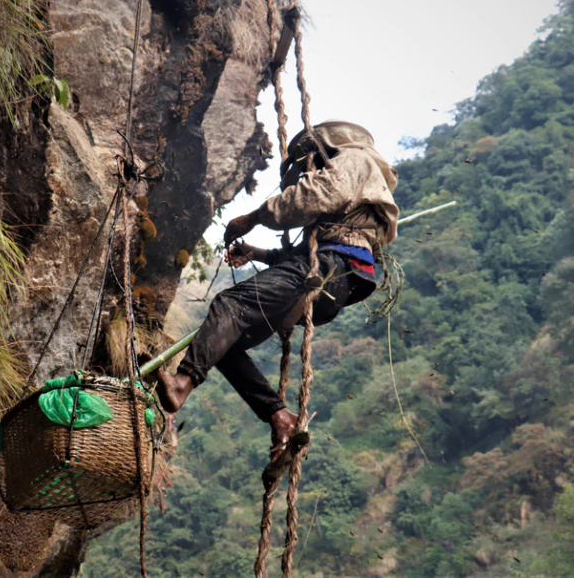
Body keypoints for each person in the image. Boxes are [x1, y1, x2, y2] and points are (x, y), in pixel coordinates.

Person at [154, 121, 399, 478]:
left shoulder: (355, 159)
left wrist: (253, 218)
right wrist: (256, 253)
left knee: (230, 305)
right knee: (224, 345)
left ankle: (181, 383)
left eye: (307, 162)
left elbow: (319, 196)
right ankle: (282, 418)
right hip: (334, 277)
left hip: (330, 269)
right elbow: (309, 253)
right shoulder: (355, 208)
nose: (306, 170)